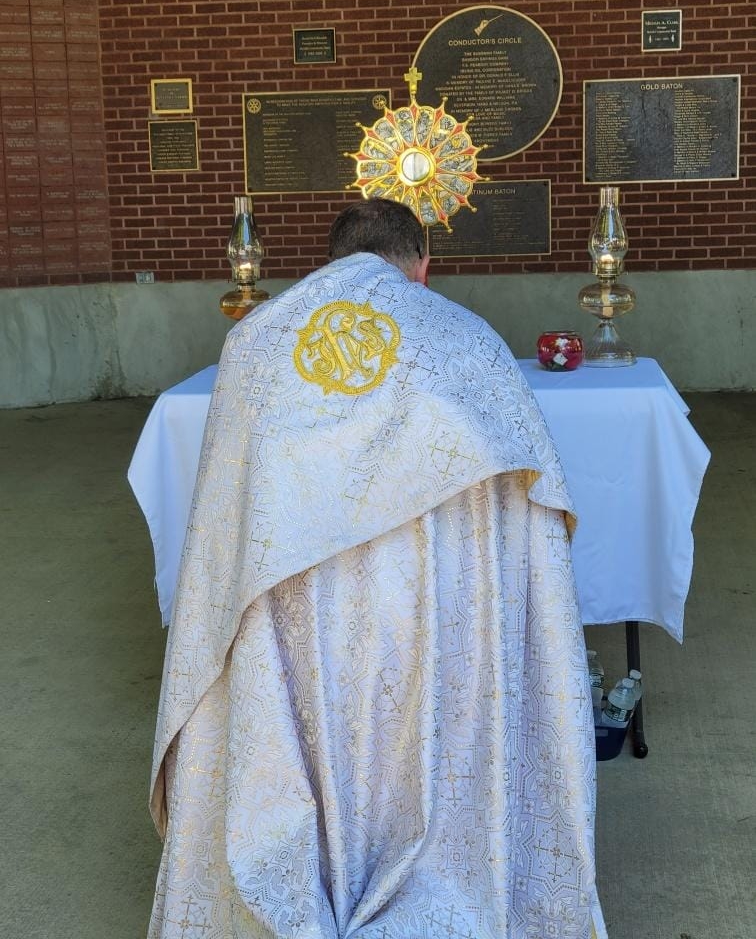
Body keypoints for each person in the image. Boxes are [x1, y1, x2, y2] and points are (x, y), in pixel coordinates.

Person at [147, 197, 606, 938]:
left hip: (293, 605)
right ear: (422, 268)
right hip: (437, 598)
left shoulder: (258, 342)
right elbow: (535, 494)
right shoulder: (467, 337)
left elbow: (225, 519)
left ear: (328, 262)